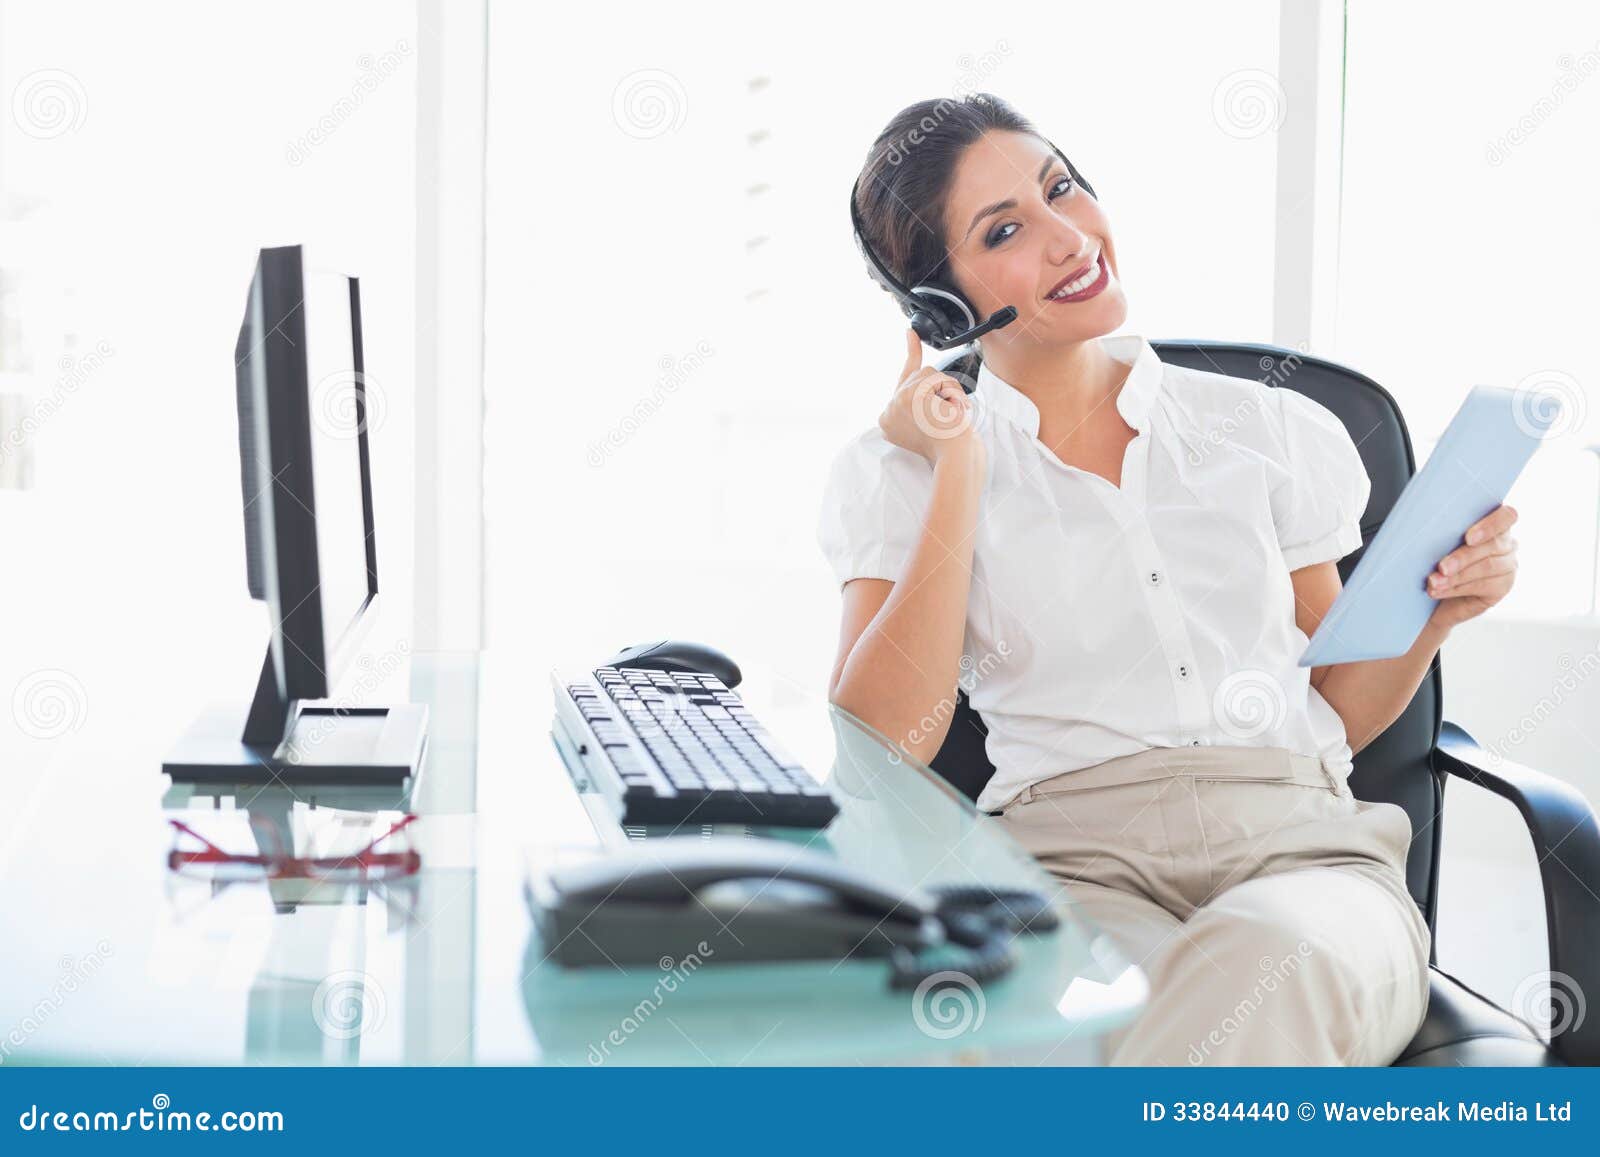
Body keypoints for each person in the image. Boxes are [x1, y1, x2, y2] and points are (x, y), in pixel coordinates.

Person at [818, 93, 1520, 1066]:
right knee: (1093, 1028)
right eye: (1008, 228)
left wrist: (1435, 611)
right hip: (1071, 870)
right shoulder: (898, 470)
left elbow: (1336, 712)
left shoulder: (1268, 428)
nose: (1069, 237)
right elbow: (882, 745)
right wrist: (960, 469)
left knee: (1265, 960)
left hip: (1306, 854)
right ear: (939, 304)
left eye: (1060, 187)